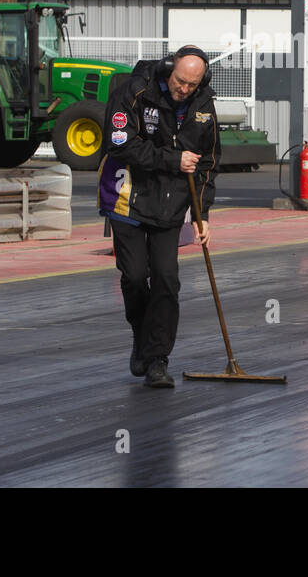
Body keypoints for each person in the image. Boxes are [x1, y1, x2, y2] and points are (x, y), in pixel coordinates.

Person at [97, 45, 221, 389]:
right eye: (180, 81)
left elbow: (208, 163)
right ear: (169, 69)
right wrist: (172, 160)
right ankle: (141, 333)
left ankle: (157, 359)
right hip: (127, 198)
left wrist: (203, 214)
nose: (183, 89)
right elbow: (119, 144)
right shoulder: (134, 92)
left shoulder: (203, 107)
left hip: (171, 204)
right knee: (135, 277)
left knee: (167, 280)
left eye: (191, 85)